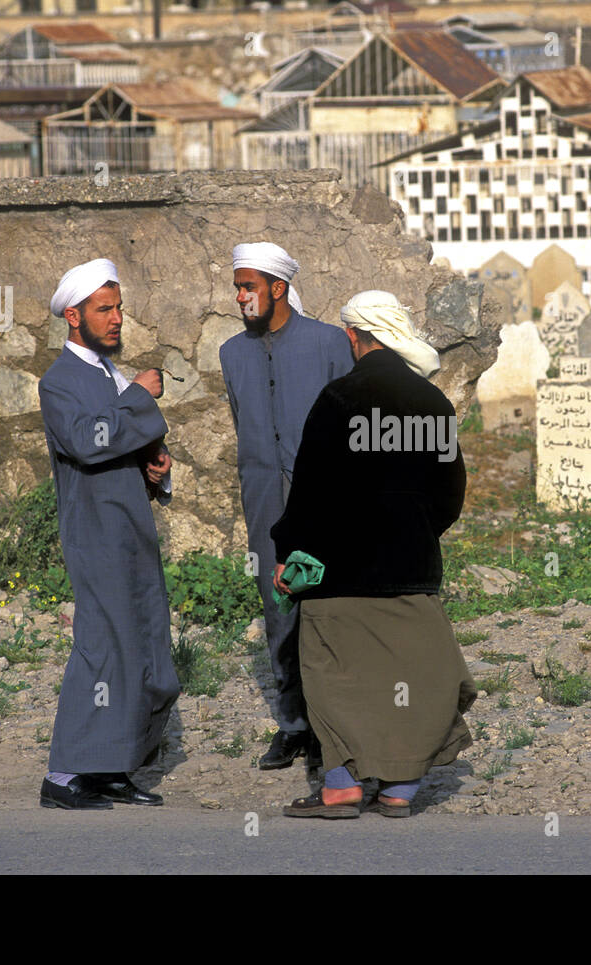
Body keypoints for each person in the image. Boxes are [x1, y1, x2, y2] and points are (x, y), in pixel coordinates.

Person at [272, 290, 475, 819]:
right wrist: (414, 531)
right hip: (411, 568)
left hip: (341, 571)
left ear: (354, 337)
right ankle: (400, 788)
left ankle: (340, 785)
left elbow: (310, 491)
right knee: (415, 672)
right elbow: (450, 492)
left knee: (332, 673)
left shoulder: (338, 398)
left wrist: (288, 551)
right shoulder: (433, 403)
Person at [36, 258, 181, 810]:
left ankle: (113, 764)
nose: (117, 318)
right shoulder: (60, 381)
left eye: (119, 307)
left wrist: (154, 471)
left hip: (130, 533)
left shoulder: (108, 376)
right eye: (105, 309)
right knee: (102, 645)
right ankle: (64, 773)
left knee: (142, 643)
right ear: (74, 316)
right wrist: (141, 398)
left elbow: (122, 447)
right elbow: (87, 440)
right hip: (94, 535)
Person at [220, 242, 354, 771]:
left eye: (248, 286)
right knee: (278, 605)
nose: (240, 297)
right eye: (236, 287)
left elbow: (348, 421)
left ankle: (332, 728)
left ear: (278, 287)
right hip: (263, 499)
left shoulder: (327, 343)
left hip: (322, 495)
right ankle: (293, 724)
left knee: (326, 605)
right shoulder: (231, 353)